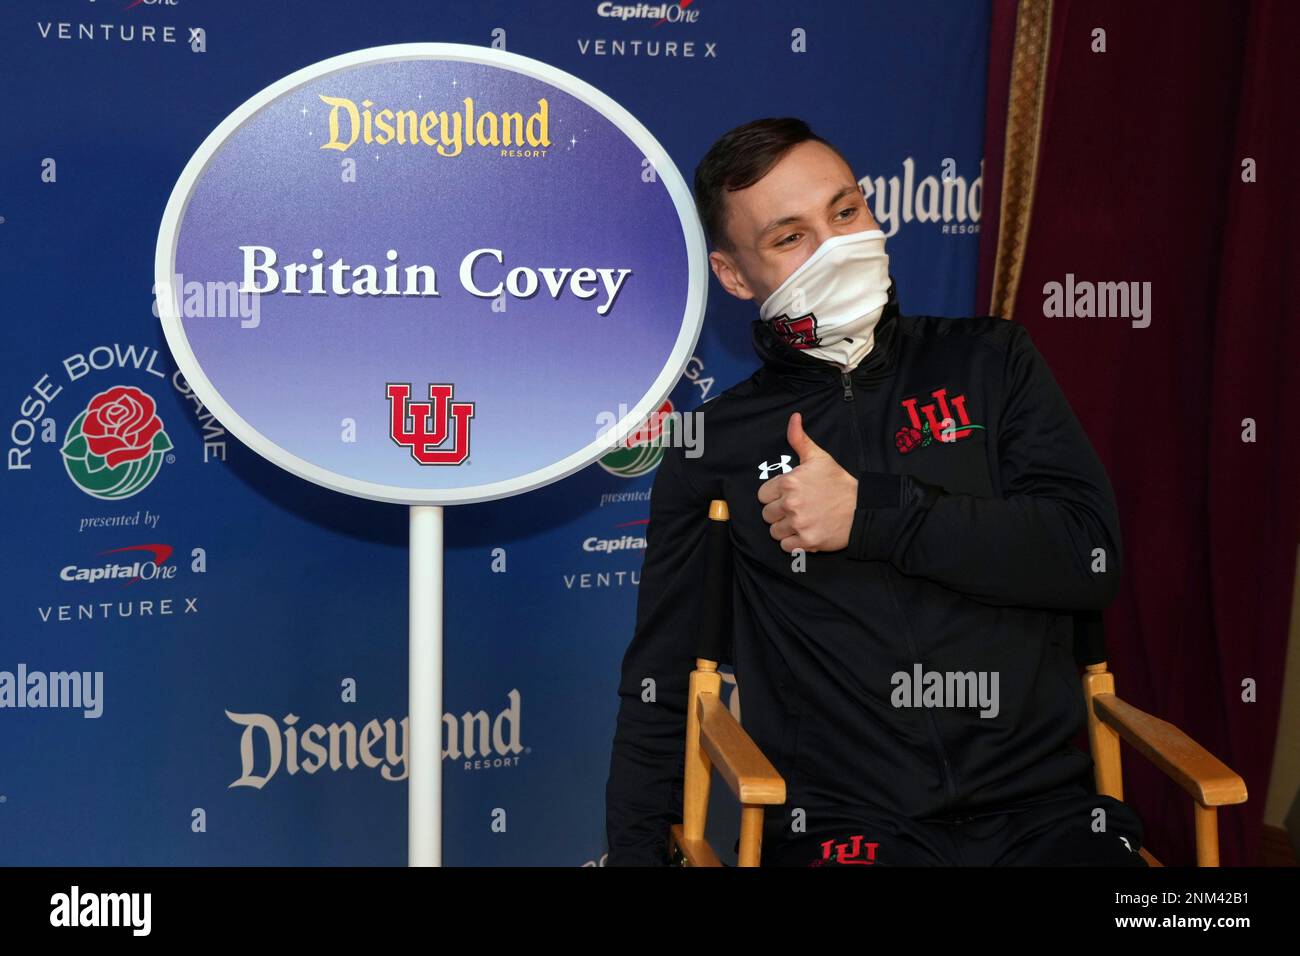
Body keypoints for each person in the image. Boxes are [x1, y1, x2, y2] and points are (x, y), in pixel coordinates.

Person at [604, 117, 1146, 867]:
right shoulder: (715, 446)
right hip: (844, 834)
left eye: (845, 211)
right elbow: (661, 685)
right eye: (790, 237)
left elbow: (1089, 555)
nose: (835, 246)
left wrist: (875, 515)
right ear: (734, 276)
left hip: (1047, 819)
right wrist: (636, 855)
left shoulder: (993, 361)